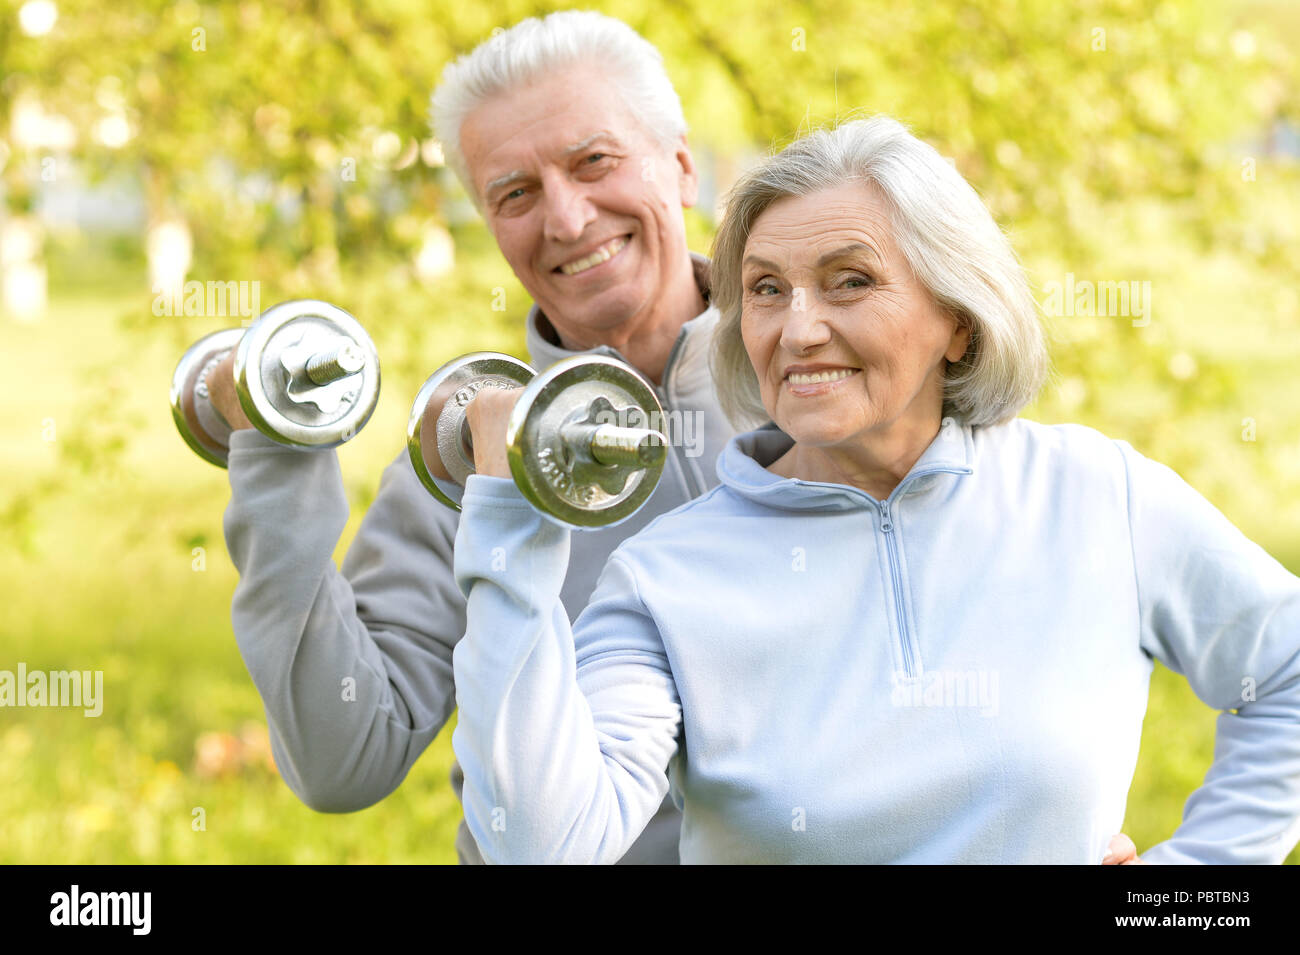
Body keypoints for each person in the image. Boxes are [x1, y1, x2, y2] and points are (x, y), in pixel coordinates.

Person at [207, 11, 1140, 864]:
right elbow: (343, 758)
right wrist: (276, 453)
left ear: (684, 167)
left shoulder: (848, 385)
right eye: (515, 192)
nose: (567, 218)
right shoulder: (470, 461)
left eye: (595, 161)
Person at [449, 114, 1300, 864]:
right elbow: (539, 845)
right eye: (766, 290)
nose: (798, 327)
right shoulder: (664, 574)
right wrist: (509, 523)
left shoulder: (1095, 495)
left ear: (958, 320)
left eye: (850, 280)